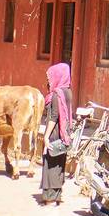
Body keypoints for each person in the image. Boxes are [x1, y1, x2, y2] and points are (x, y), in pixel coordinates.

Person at [40, 63, 73, 206]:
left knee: (50, 164)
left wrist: (46, 137)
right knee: (59, 164)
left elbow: (53, 117)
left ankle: (49, 198)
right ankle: (58, 196)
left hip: (54, 134)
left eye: (50, 76)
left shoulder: (56, 95)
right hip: (63, 134)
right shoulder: (67, 92)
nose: (49, 80)